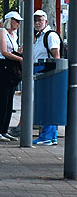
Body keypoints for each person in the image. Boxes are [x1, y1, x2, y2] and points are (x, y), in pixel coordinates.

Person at [0, 11, 23, 142]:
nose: (18, 24)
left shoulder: (14, 35)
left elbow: (12, 50)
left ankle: (4, 129)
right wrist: (20, 59)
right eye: (16, 21)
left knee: (9, 101)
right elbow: (4, 51)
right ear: (10, 20)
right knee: (2, 100)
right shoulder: (2, 32)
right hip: (3, 66)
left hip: (11, 68)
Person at [31, 9, 62, 145]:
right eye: (35, 20)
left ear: (46, 22)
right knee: (47, 104)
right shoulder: (40, 36)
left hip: (47, 72)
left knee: (47, 104)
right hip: (43, 71)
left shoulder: (50, 36)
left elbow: (56, 56)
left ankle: (47, 136)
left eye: (40, 20)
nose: (37, 22)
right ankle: (50, 136)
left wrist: (54, 75)